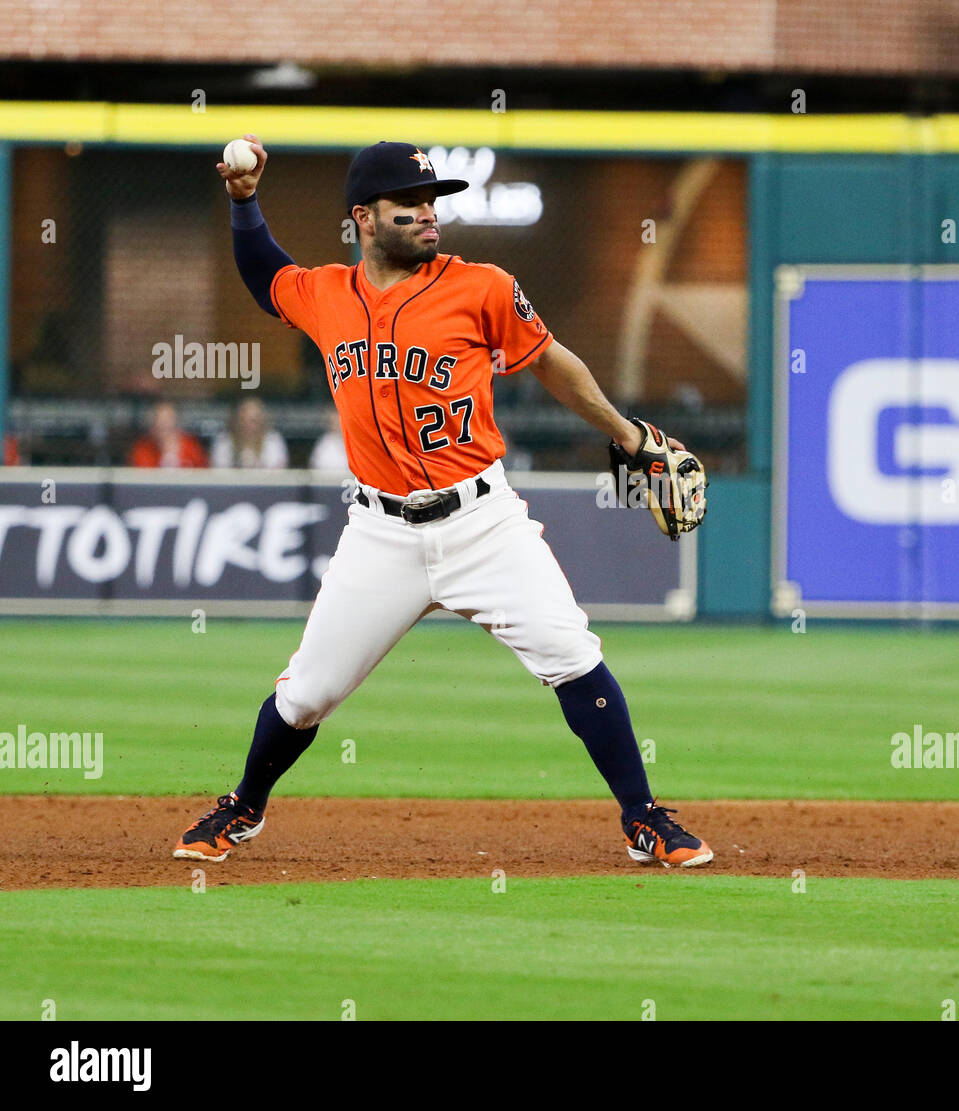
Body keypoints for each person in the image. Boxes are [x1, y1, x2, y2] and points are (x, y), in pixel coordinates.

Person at [172, 137, 712, 869]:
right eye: (411, 204)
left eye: (434, 200)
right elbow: (265, 273)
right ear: (364, 217)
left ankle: (644, 818)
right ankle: (243, 804)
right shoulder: (328, 294)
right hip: (379, 532)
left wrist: (628, 435)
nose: (430, 214)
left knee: (571, 653)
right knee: (305, 695)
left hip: (483, 521)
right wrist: (243, 202)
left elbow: (550, 360)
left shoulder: (481, 286)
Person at [211, 396, 289, 469]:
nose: (247, 425)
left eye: (253, 421)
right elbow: (220, 473)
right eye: (243, 420)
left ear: (262, 421)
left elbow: (276, 474)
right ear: (235, 421)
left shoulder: (273, 440)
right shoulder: (224, 441)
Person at [129, 401, 208, 469]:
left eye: (167, 419)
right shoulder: (143, 449)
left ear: (176, 422)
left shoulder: (191, 447)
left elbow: (203, 474)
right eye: (157, 419)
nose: (162, 424)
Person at [308, 407, 349, 472]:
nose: (336, 423)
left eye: (337, 419)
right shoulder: (324, 442)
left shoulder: (352, 441)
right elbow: (315, 467)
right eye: (333, 420)